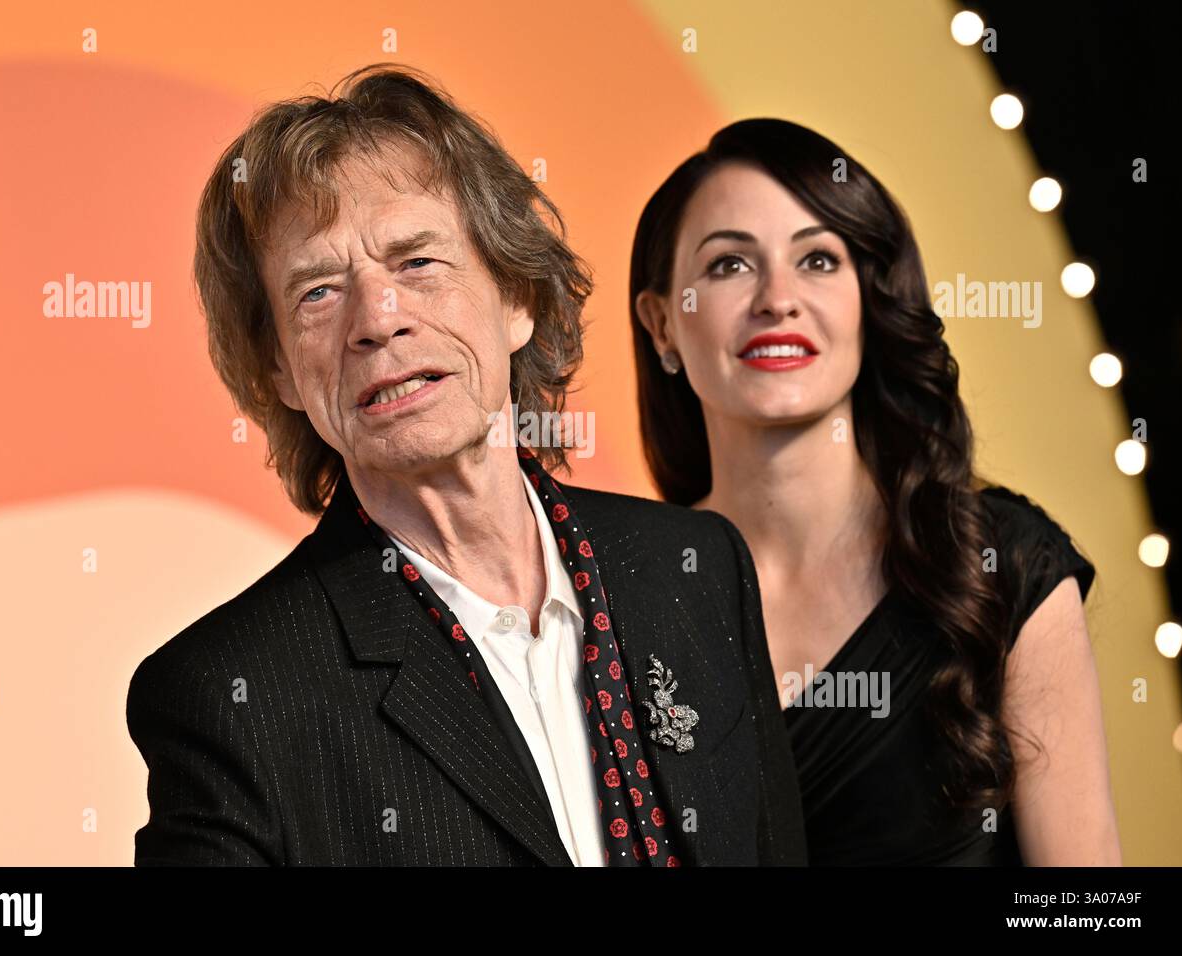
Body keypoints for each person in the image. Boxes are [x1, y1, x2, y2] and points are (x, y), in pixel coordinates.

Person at [126, 66, 806, 866]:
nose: (377, 320)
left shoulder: (696, 571)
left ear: (516, 296)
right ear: (278, 370)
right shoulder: (228, 698)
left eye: (417, 262)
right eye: (317, 291)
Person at [629, 118, 1121, 865]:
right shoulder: (614, 600)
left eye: (819, 259)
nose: (778, 299)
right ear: (663, 323)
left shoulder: (1002, 566)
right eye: (729, 265)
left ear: (870, 299)